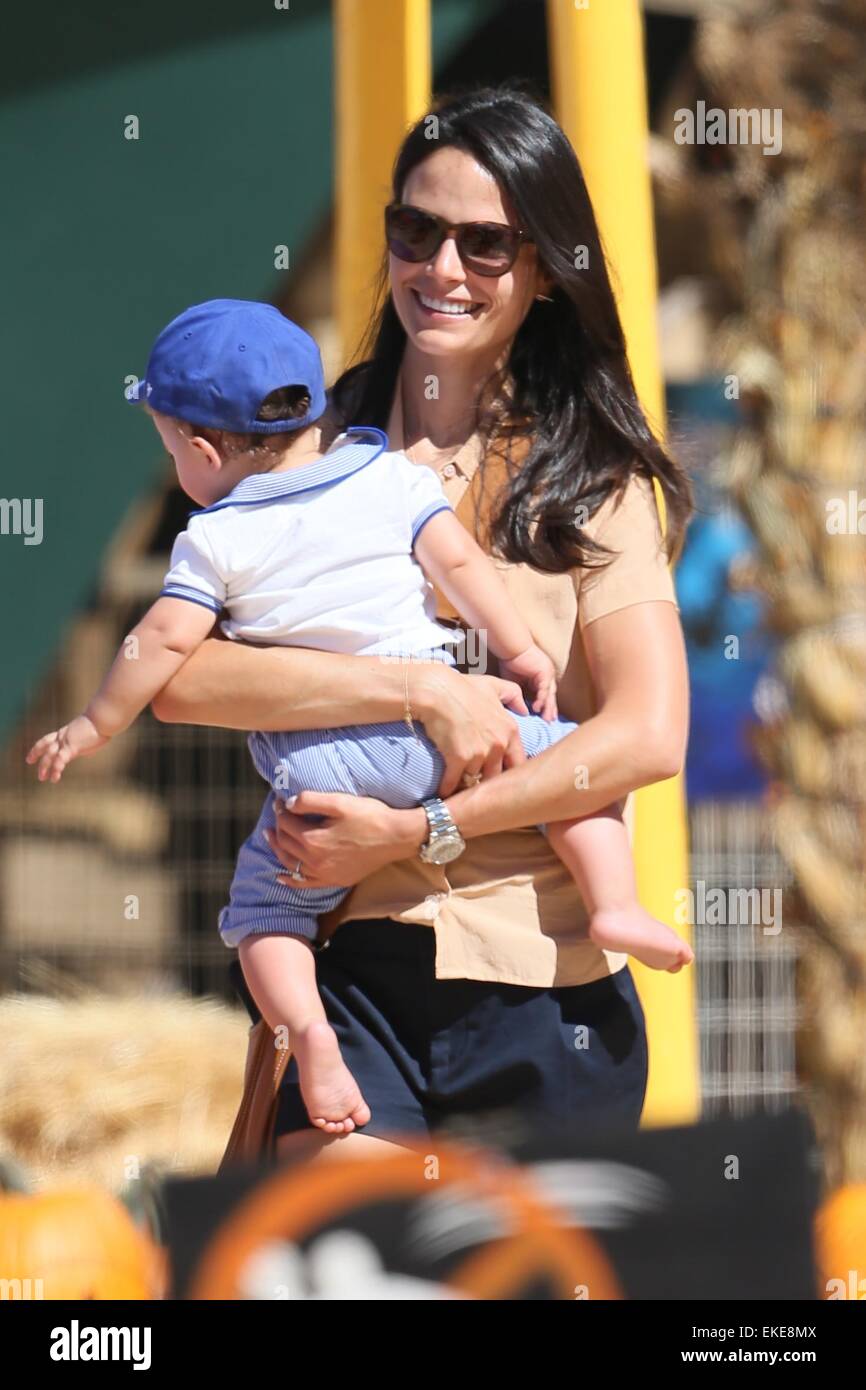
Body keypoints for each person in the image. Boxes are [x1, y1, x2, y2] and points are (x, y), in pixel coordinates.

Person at [151, 86, 695, 1162]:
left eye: (485, 243)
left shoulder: (596, 481)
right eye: (416, 229)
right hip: (350, 974)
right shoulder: (305, 443)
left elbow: (643, 737)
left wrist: (424, 829)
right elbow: (180, 676)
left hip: (549, 988)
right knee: (348, 1267)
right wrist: (416, 693)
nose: (441, 269)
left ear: (542, 271)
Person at [26, 293, 692, 1133]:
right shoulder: (387, 475)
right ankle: (614, 901)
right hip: (427, 755)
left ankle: (306, 1031)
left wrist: (92, 724)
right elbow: (456, 565)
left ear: (199, 448)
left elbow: (160, 650)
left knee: (262, 914)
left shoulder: (214, 537)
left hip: (322, 777)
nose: (442, 266)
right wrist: (498, 658)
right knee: (568, 767)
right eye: (415, 231)